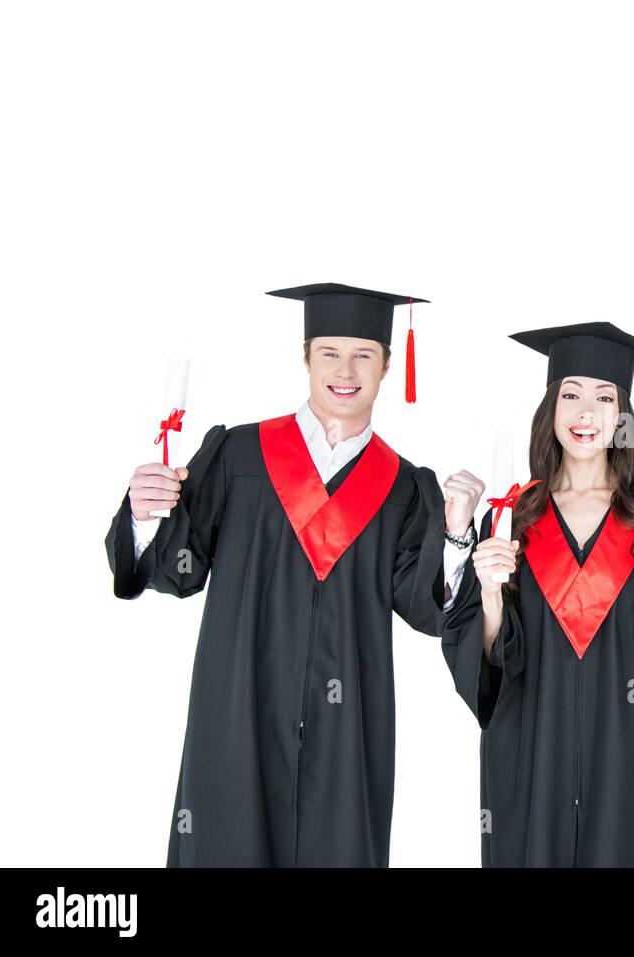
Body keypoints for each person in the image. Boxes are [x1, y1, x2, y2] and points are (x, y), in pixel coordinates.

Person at [105, 282, 485, 866]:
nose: (346, 370)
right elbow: (177, 572)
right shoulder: (238, 456)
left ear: (388, 365)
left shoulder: (404, 487)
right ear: (305, 358)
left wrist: (458, 533)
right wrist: (141, 512)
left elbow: (428, 607)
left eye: (364, 354)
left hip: (347, 732)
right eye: (330, 353)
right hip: (238, 712)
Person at [442, 322, 634, 866]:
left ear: (624, 415)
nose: (587, 413)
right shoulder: (511, 514)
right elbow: (486, 666)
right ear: (551, 408)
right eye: (571, 395)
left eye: (605, 397)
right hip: (528, 752)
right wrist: (491, 599)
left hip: (624, 748)